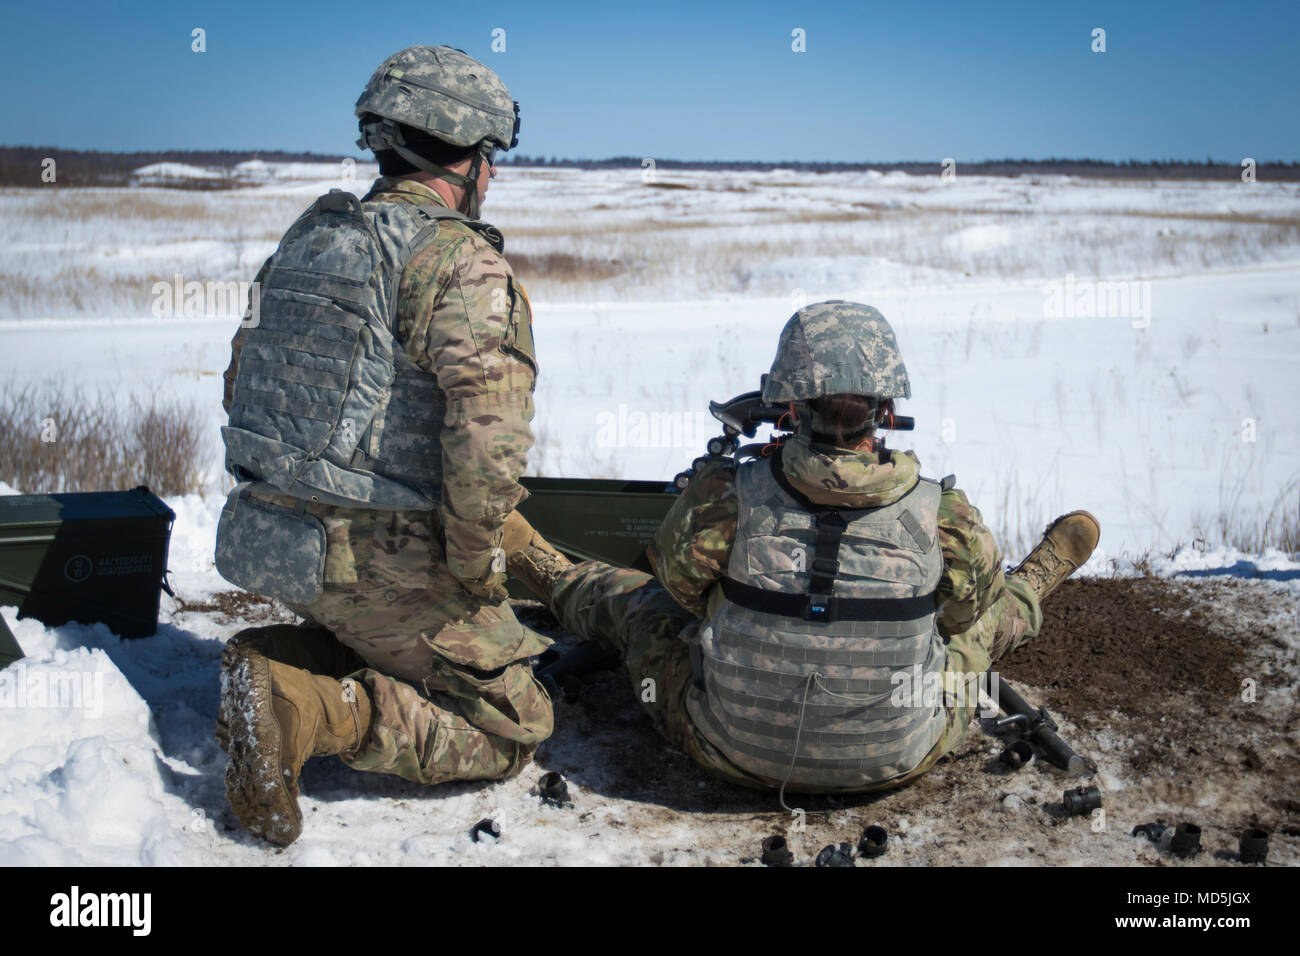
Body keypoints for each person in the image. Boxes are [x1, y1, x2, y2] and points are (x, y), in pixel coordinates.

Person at [504, 300, 1099, 800]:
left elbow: (679, 593)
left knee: (638, 607)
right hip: (897, 756)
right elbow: (962, 617)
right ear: (886, 409)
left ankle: (549, 571)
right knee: (985, 625)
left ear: (788, 407)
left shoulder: (729, 494)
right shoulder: (946, 516)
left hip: (727, 748)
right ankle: (1035, 583)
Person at [213, 45, 550, 846]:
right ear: (465, 153)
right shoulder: (460, 262)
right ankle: (320, 708)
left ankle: (305, 654)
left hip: (274, 543)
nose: (492, 176)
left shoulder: (309, 242)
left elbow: (238, 386)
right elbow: (487, 442)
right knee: (515, 722)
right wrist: (475, 568)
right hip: (373, 559)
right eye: (489, 157)